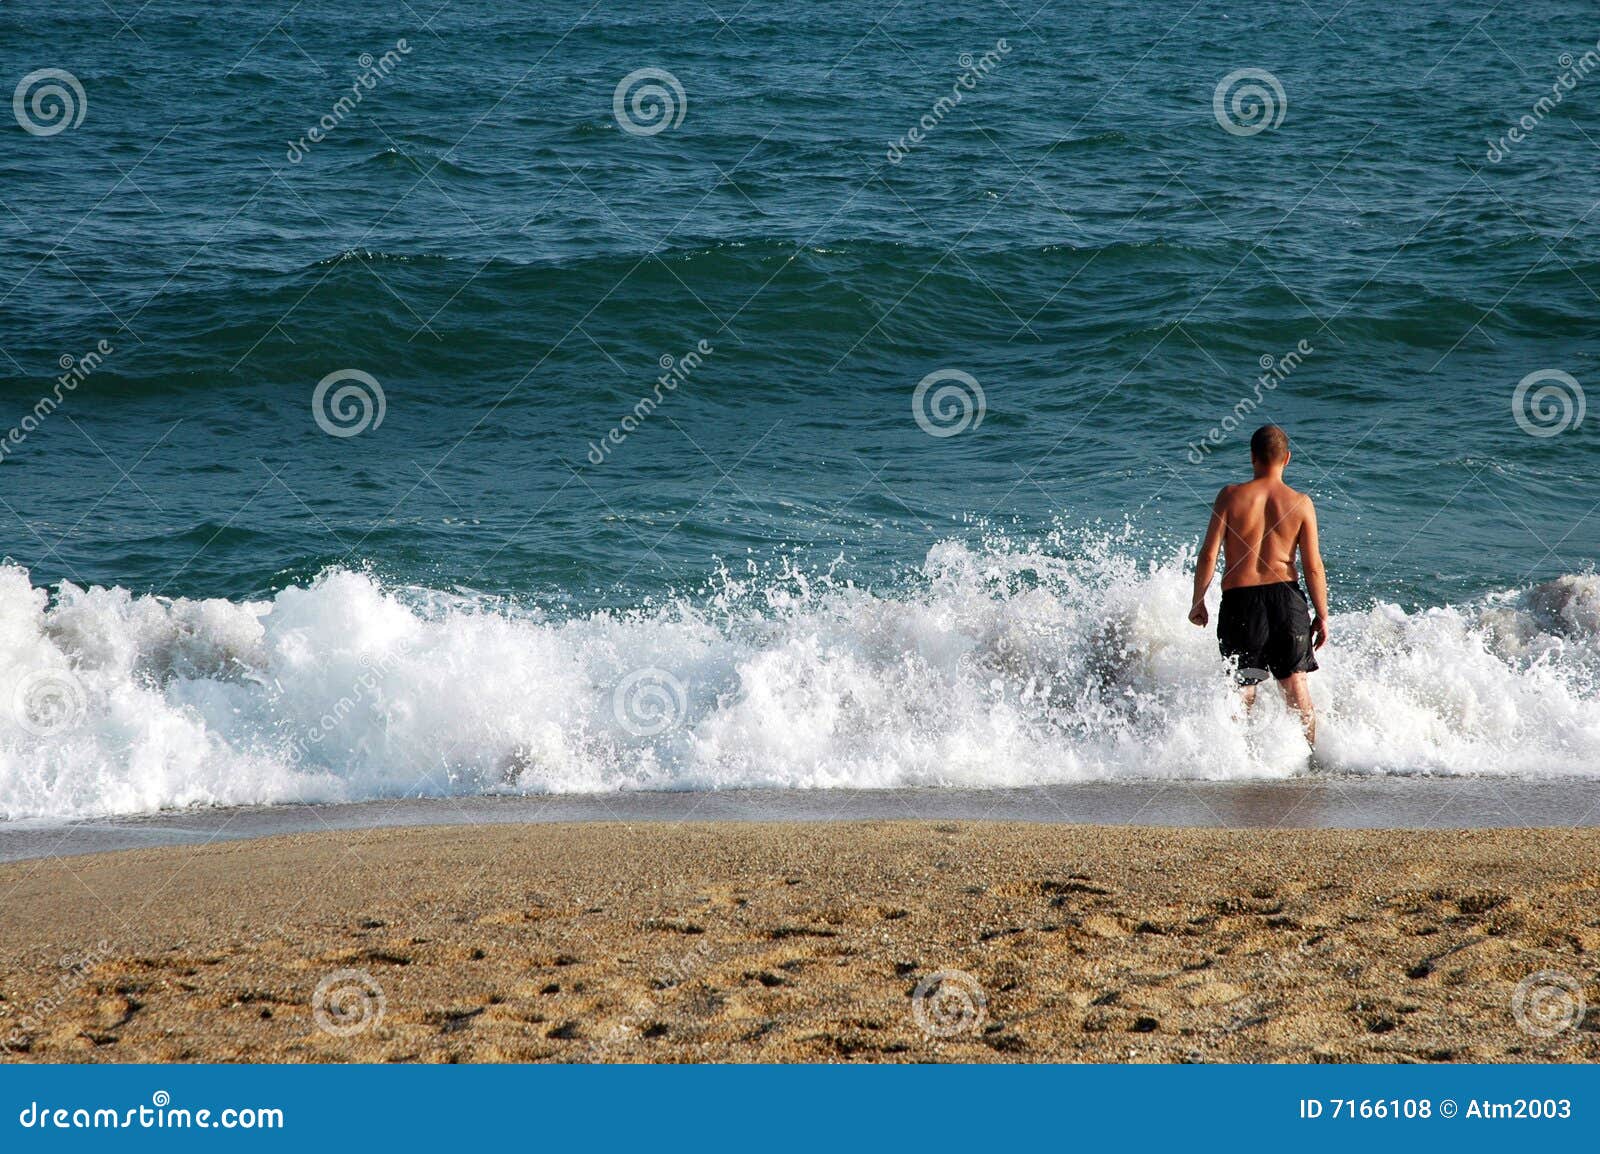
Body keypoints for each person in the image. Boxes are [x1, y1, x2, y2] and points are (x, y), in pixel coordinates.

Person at [1188, 424, 1328, 744]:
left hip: (1241, 601)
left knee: (1243, 688)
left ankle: (1240, 763)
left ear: (1252, 458)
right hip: (1286, 599)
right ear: (1288, 459)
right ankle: (1308, 761)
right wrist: (1322, 614)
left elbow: (1208, 555)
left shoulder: (1230, 496)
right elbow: (1314, 567)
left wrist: (1198, 601)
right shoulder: (1301, 503)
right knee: (1295, 689)